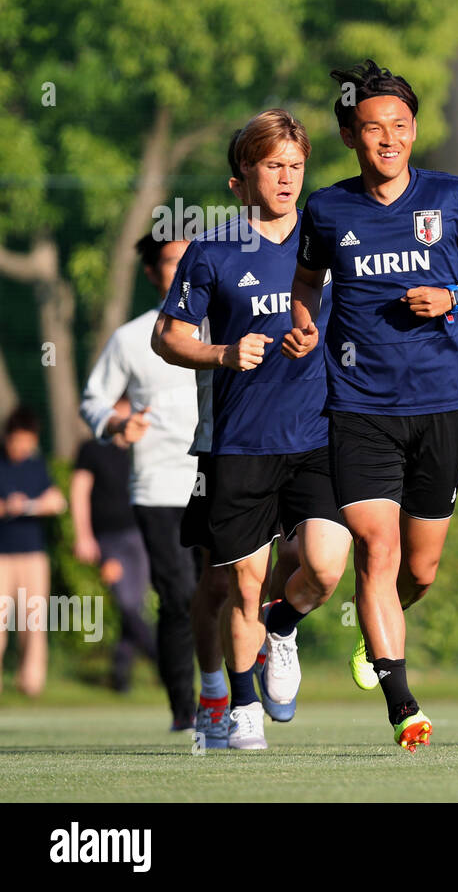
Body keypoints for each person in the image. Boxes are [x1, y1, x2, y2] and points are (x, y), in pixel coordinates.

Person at [286, 60, 458, 751]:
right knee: (375, 552)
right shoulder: (326, 208)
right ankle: (402, 703)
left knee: (419, 569)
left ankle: (371, 633)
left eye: (401, 126)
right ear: (351, 135)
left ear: (415, 131)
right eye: (373, 127)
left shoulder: (454, 196)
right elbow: (306, 278)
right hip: (357, 406)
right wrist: (302, 321)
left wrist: (456, 296)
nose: (389, 138)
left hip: (442, 401)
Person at [154, 109, 352, 750]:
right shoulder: (212, 251)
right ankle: (242, 708)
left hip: (317, 434)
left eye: (296, 166)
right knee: (241, 582)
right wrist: (224, 353)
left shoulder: (329, 241)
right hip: (238, 443)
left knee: (324, 568)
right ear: (244, 176)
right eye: (274, 165)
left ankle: (285, 627)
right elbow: (169, 336)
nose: (288, 178)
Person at [81, 232, 206, 731]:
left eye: (191, 260)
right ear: (153, 274)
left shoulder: (229, 322)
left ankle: (235, 699)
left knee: (233, 589)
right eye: (173, 262)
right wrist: (116, 424)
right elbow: (92, 400)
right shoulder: (132, 338)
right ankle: (185, 710)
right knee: (179, 598)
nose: (184, 270)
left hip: (223, 480)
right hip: (158, 489)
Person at [71, 399, 156, 693]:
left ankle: (120, 675)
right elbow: (79, 491)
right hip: (108, 538)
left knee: (136, 603)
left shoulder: (142, 450)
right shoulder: (92, 449)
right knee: (127, 603)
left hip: (140, 535)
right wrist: (83, 536)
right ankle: (162, 656)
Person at [0, 405, 66, 696]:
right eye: (18, 440)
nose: (22, 447)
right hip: (2, 556)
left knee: (33, 621)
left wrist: (26, 506)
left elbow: (56, 502)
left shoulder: (37, 467)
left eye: (28, 441)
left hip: (33, 556)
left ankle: (31, 683)